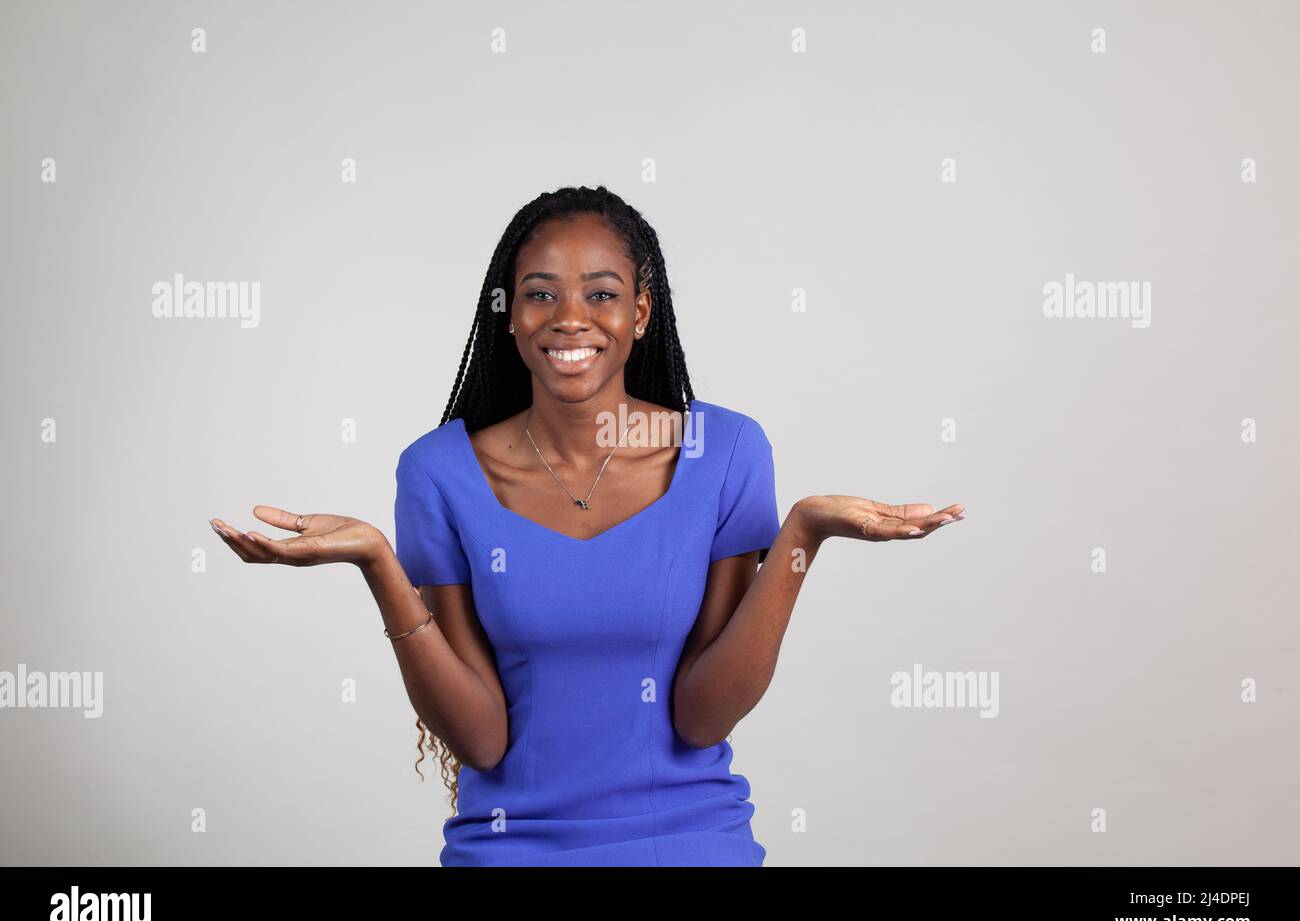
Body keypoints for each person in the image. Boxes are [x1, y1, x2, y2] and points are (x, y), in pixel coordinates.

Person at [209, 185, 965, 866]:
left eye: (601, 294)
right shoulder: (438, 473)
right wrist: (378, 564)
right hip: (511, 851)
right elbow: (481, 739)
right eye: (541, 294)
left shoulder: (726, 454)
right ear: (510, 314)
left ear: (639, 312)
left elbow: (702, 717)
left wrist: (802, 537)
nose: (570, 318)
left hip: (688, 846)